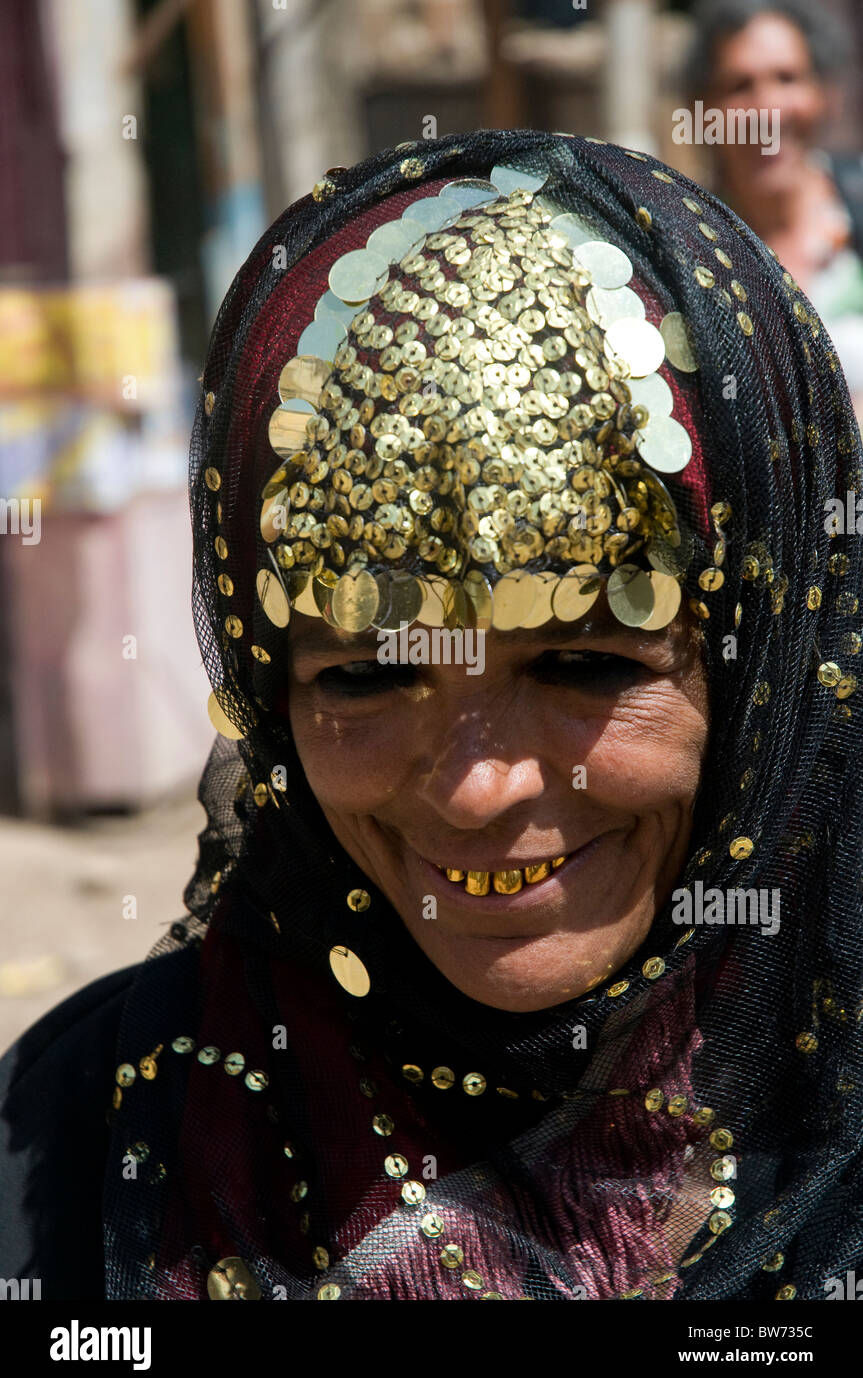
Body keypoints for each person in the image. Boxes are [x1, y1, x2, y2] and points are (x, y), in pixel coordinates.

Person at [2, 129, 863, 1301]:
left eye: (579, 661)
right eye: (362, 676)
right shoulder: (79, 1131)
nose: (475, 786)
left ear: (756, 660)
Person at [685, 0, 863, 415]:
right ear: (704, 110)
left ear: (825, 95)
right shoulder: (681, 247)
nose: (766, 108)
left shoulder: (855, 206)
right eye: (739, 85)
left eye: (787, 78)